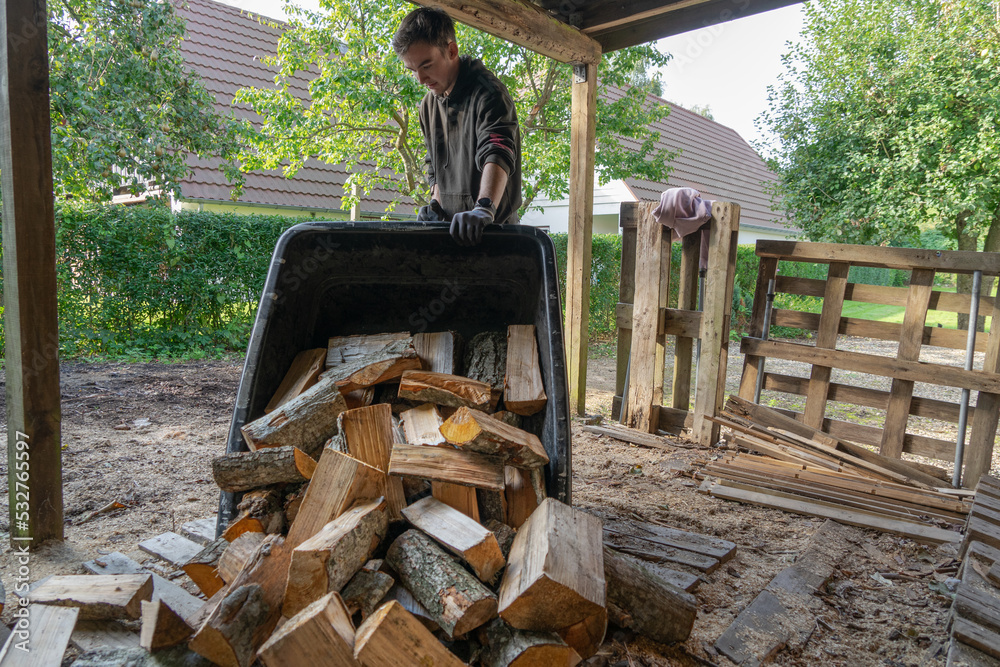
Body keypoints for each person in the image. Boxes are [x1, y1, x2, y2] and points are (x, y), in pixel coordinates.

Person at [392, 7, 522, 246]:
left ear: (451, 50)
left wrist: (484, 209)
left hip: (496, 237)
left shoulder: (488, 93)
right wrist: (436, 204)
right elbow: (436, 164)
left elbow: (498, 150)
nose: (420, 79)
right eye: (413, 70)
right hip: (452, 234)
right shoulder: (428, 105)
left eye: (427, 65)